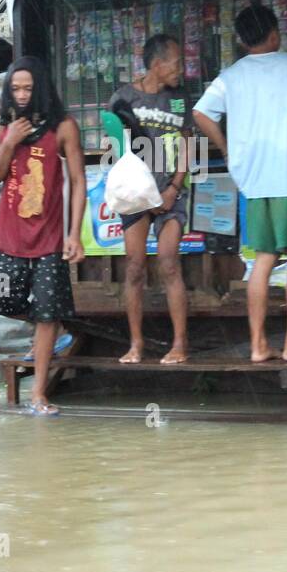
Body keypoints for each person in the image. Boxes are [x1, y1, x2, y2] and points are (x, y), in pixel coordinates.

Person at [192, 4, 287, 363]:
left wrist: (226, 145)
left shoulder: (230, 76)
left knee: (263, 260)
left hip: (254, 179)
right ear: (275, 34)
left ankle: (258, 345)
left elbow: (199, 113)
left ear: (241, 40)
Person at [0, 57, 86, 416]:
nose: (22, 95)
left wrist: (75, 234)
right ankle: (52, 326)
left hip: (50, 237)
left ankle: (39, 394)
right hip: (8, 235)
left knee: (45, 313)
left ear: (40, 87)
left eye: (28, 88)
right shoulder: (1, 127)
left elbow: (78, 182)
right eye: (16, 89)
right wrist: (11, 142)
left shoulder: (65, 127)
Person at [106, 34, 191, 365]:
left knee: (169, 262)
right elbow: (116, 150)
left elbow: (188, 146)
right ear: (157, 65)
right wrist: (145, 191)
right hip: (136, 196)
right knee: (135, 268)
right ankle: (136, 345)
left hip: (171, 194)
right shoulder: (123, 98)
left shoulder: (180, 100)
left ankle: (180, 345)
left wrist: (172, 188)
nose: (181, 69)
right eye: (176, 62)